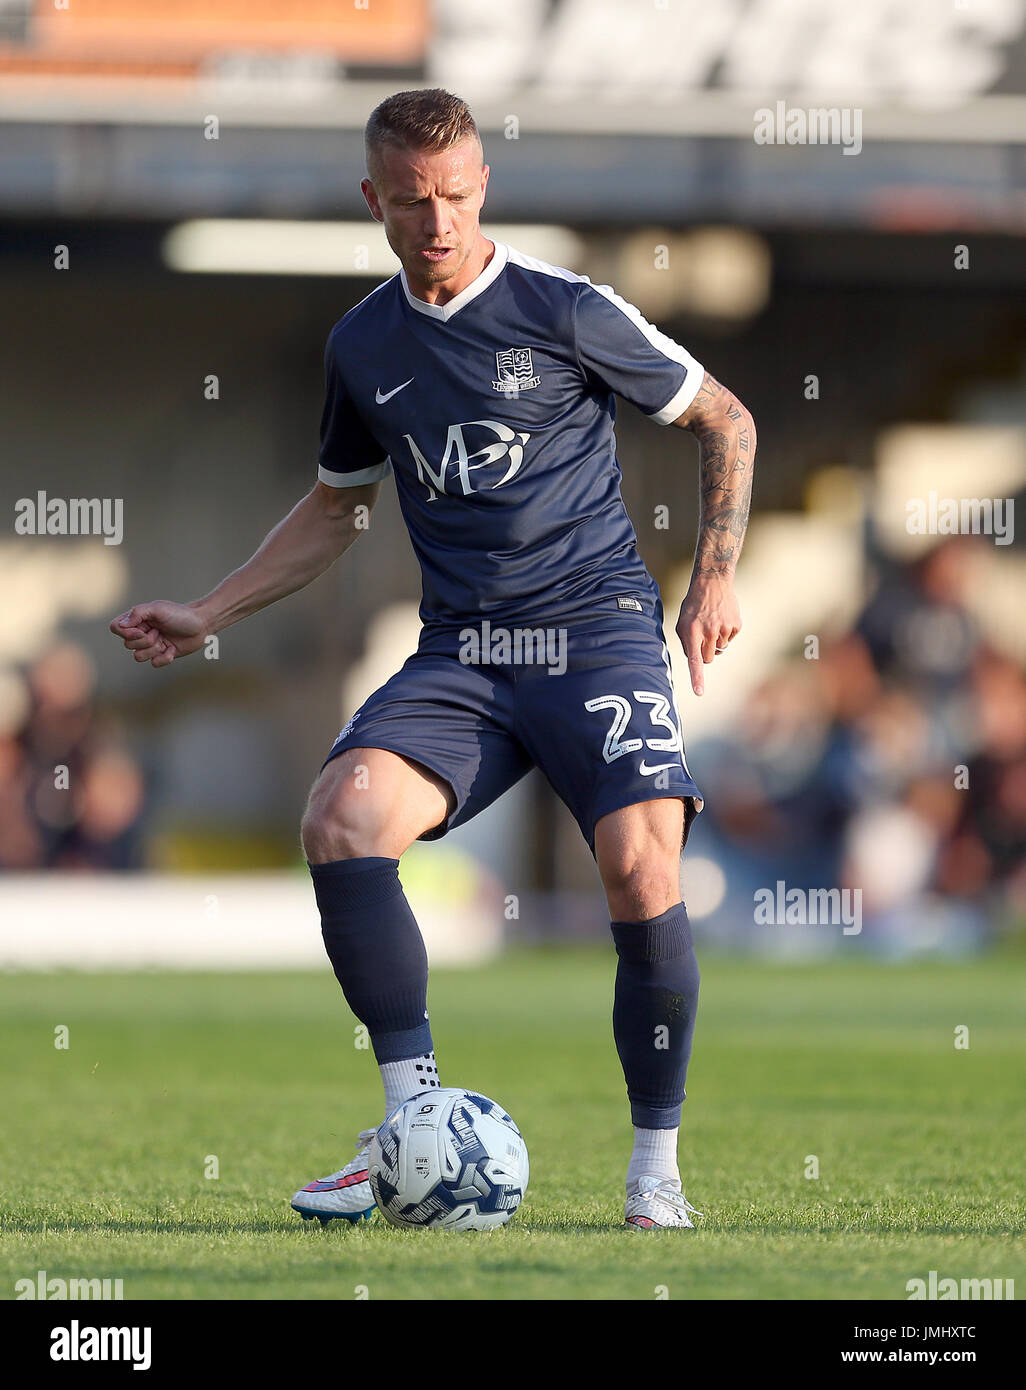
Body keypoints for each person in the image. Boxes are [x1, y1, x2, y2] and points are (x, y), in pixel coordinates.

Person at [110, 88, 756, 1230]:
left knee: (642, 867)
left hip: (594, 630)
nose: (438, 222)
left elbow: (728, 420)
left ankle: (656, 1171)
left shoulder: (566, 311)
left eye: (456, 196)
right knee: (341, 820)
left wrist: (713, 576)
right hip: (465, 650)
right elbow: (334, 510)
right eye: (412, 203)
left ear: (483, 187)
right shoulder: (364, 344)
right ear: (376, 200)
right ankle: (410, 1126)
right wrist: (212, 611)